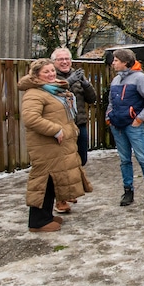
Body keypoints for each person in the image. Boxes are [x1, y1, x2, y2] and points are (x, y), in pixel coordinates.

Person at [19, 58, 92, 233]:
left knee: (53, 181)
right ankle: (37, 222)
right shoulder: (34, 93)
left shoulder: (52, 90)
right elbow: (31, 119)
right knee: (43, 181)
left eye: (52, 70)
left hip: (57, 146)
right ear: (36, 75)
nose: (51, 74)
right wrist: (56, 130)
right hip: (46, 145)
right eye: (46, 72)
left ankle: (47, 216)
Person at [105, 48, 144, 206]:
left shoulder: (140, 78)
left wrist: (139, 119)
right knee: (124, 160)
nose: (113, 63)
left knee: (142, 159)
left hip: (133, 126)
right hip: (117, 125)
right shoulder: (116, 80)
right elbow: (111, 101)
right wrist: (108, 116)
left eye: (116, 60)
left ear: (125, 62)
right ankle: (128, 192)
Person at [52, 47, 97, 214]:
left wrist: (86, 84)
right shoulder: (51, 77)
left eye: (67, 59)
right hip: (62, 127)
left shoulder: (78, 75)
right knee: (63, 164)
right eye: (60, 59)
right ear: (54, 62)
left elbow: (91, 99)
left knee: (80, 160)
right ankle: (61, 199)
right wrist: (69, 82)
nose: (64, 62)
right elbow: (54, 95)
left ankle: (69, 192)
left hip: (80, 124)